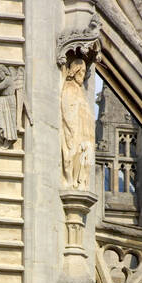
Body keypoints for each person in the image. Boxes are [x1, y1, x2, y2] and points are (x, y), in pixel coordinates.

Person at [61, 57, 95, 190]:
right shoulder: (69, 87)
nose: (83, 75)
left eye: (85, 72)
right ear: (74, 72)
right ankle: (71, 181)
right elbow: (67, 109)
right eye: (81, 72)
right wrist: (73, 130)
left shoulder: (80, 91)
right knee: (73, 153)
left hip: (84, 133)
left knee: (86, 156)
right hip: (74, 130)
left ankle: (80, 182)